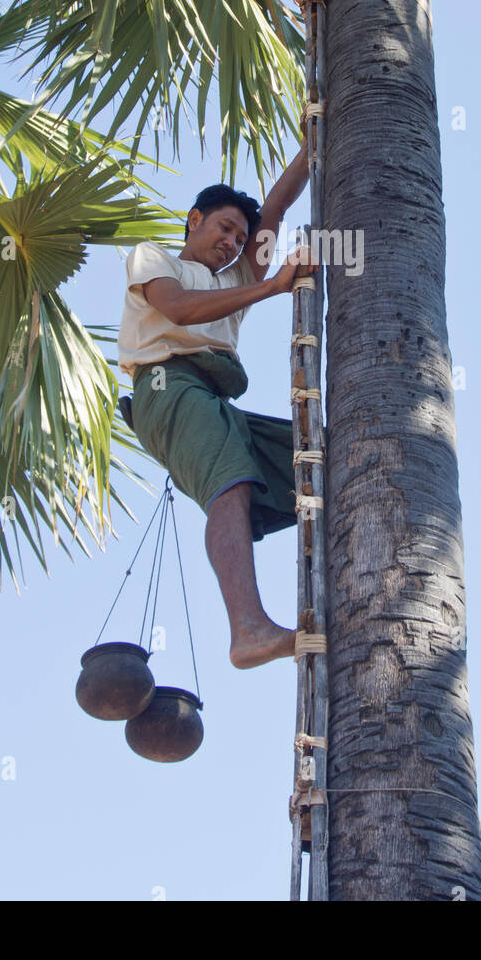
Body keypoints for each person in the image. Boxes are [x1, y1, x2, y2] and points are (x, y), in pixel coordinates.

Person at [118, 134, 316, 669]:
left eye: (239, 237)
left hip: (211, 397)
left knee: (317, 460)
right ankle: (247, 630)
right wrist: (271, 288)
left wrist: (309, 144)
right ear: (194, 219)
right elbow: (179, 310)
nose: (232, 242)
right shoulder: (154, 259)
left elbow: (275, 207)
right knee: (229, 483)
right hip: (163, 387)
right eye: (224, 228)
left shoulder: (233, 278)